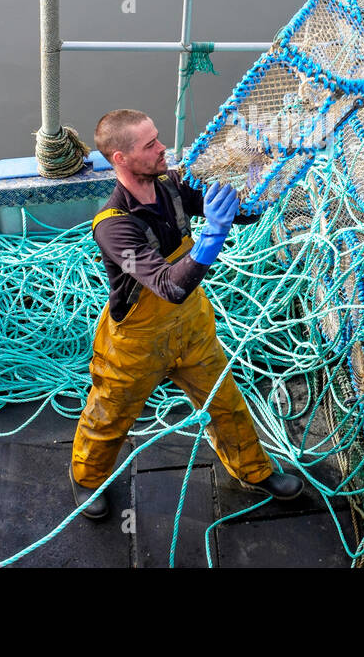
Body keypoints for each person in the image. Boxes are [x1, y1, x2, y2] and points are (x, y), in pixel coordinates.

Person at [70, 109, 304, 519]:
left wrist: (258, 179)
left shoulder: (174, 185)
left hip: (192, 330)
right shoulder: (113, 227)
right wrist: (212, 235)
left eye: (158, 138)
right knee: (109, 414)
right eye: (150, 145)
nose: (163, 149)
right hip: (135, 345)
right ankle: (87, 479)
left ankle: (253, 470)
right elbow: (169, 287)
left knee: (226, 404)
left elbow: (245, 212)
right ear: (120, 159)